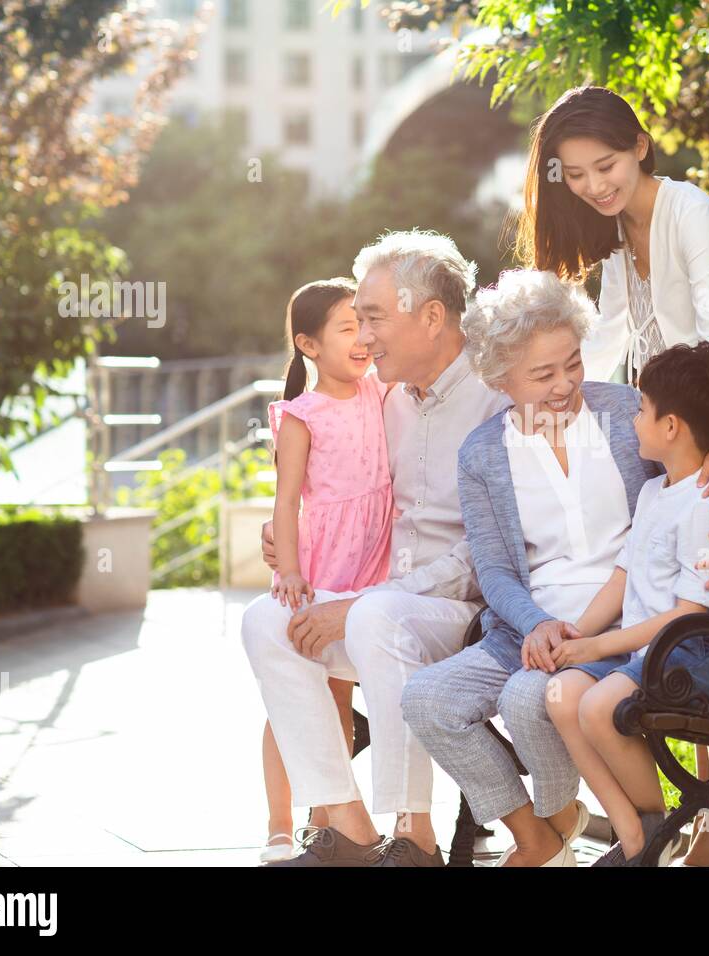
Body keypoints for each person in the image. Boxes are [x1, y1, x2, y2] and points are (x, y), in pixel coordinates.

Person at [516, 84, 709, 865]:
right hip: (682, 416)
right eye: (575, 174)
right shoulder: (618, 233)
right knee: (694, 580)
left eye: (604, 164)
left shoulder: (687, 208)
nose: (592, 185)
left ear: (642, 145)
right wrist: (571, 409)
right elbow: (613, 337)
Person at [401, 270, 709, 866]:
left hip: (629, 627)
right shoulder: (482, 453)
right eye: (542, 374)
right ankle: (544, 831)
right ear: (500, 378)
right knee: (426, 699)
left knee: (534, 696)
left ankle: (589, 829)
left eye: (571, 363)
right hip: (533, 632)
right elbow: (494, 572)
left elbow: (700, 486)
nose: (564, 385)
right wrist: (538, 625)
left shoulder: (629, 415)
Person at [243, 231, 509, 867]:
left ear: (432, 317)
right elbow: (335, 486)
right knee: (266, 621)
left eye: (373, 317)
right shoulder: (384, 397)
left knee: (376, 617)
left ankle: (414, 835)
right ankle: (351, 827)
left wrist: (365, 601)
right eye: (356, 320)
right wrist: (291, 540)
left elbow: (483, 554)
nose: (364, 335)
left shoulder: (496, 399)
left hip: (462, 612)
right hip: (379, 606)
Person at [547, 342, 709, 866]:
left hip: (707, 651)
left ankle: (654, 838)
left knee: (600, 707)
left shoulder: (707, 503)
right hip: (663, 648)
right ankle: (642, 831)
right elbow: (624, 576)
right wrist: (577, 634)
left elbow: (692, 615)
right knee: (560, 695)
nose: (634, 420)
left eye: (641, 409)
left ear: (671, 428)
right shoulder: (654, 493)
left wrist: (600, 644)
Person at [255, 277, 394, 863]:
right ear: (309, 345)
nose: (362, 338)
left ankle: (330, 817)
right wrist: (288, 570)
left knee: (342, 691)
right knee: (302, 696)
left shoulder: (380, 391)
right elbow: (287, 502)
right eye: (346, 328)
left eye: (365, 324)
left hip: (374, 564)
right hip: (318, 568)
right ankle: (281, 822)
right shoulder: (300, 414)